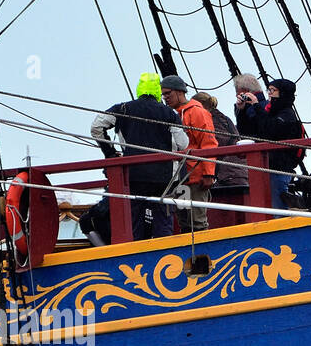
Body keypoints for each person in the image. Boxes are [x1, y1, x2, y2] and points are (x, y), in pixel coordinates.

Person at [90, 72, 185, 240]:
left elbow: (97, 127)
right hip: (164, 178)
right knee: (163, 219)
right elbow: (183, 144)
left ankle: (138, 257)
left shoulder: (124, 108)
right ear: (157, 90)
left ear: (139, 88)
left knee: (135, 219)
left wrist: (110, 153)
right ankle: (166, 255)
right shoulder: (169, 113)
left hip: (133, 175)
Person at [233, 73, 305, 205]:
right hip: (266, 166)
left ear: (282, 93)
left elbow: (269, 131)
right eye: (269, 90)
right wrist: (242, 111)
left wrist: (255, 106)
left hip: (278, 169)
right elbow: (248, 131)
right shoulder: (269, 111)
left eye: (273, 90)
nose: (270, 93)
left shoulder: (287, 115)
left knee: (277, 209)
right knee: (265, 206)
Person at [160, 75, 216, 232]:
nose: (165, 98)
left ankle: (202, 255)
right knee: (184, 220)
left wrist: (208, 174)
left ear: (179, 92)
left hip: (196, 177)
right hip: (181, 179)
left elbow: (209, 144)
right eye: (163, 94)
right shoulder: (174, 114)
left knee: (196, 221)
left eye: (168, 93)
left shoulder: (197, 113)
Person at [193, 91, 248, 190]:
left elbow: (212, 146)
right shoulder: (225, 119)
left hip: (227, 175)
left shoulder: (210, 122)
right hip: (239, 171)